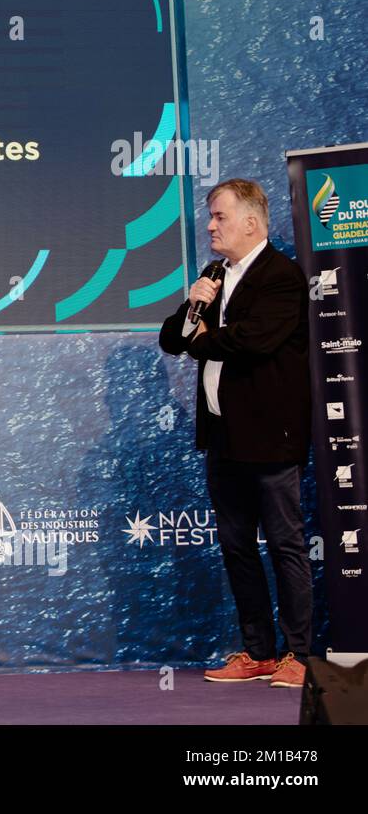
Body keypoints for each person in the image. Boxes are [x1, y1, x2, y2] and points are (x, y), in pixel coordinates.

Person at [158, 179, 312, 688]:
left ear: (251, 222)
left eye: (220, 216)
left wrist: (201, 338)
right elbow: (172, 340)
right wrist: (192, 305)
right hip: (224, 436)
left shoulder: (281, 276)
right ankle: (259, 651)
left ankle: (301, 654)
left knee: (286, 544)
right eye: (210, 216)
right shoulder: (213, 275)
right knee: (236, 545)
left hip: (271, 434)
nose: (210, 225)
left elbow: (253, 341)